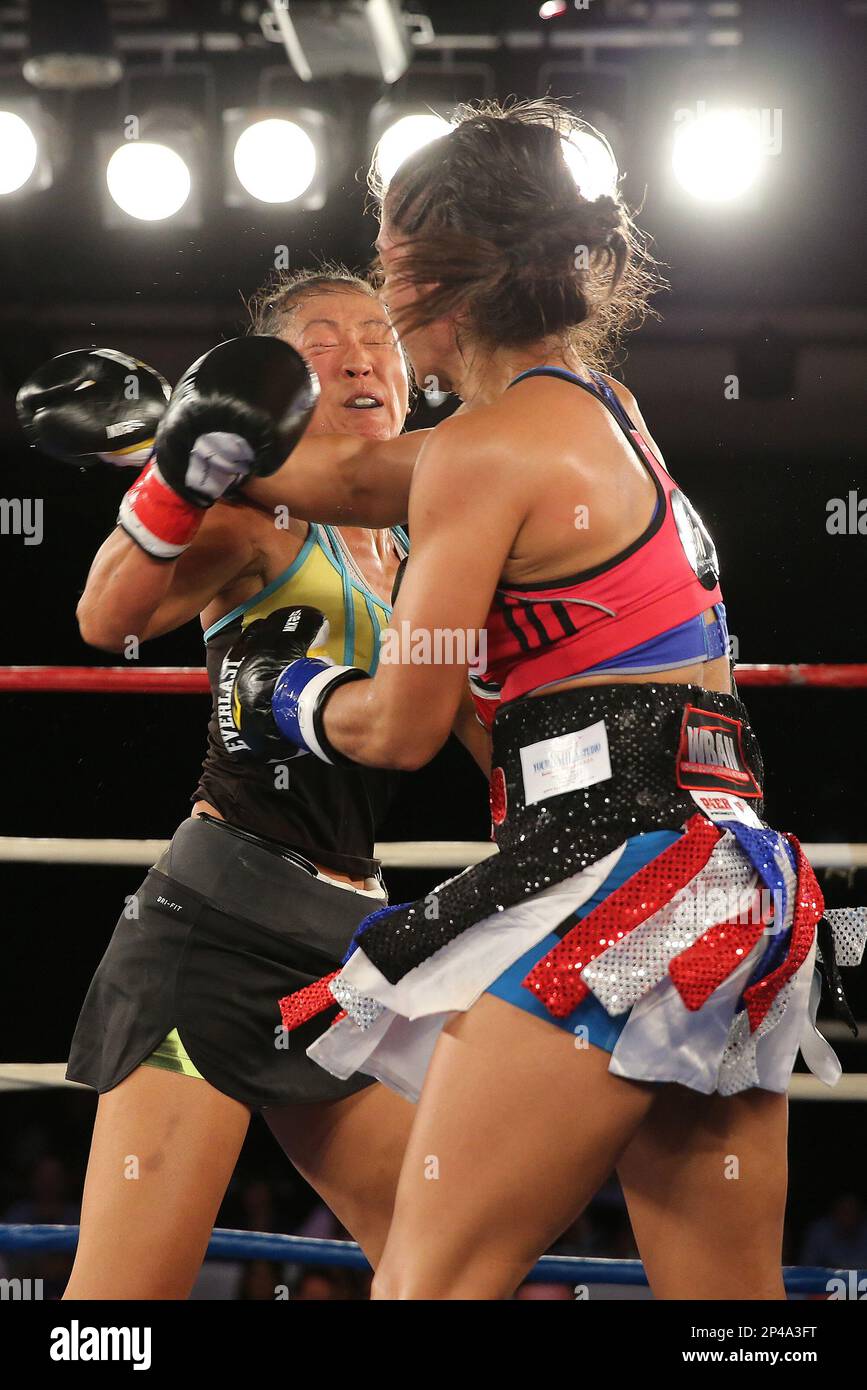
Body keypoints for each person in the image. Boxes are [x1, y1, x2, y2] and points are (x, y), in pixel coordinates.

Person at [231, 101, 865, 1300]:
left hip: (627, 875)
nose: (379, 286)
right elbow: (356, 476)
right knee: (732, 1317)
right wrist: (169, 448)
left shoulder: (486, 450)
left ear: (430, 277)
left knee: (428, 1284)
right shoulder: (597, 406)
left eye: (386, 258)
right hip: (725, 880)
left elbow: (403, 725)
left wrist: (288, 697)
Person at [18, 266, 483, 1300]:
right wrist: (178, 479)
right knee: (118, 1313)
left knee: (449, 1268)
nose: (359, 358)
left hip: (346, 953)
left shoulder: (426, 544)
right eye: (323, 341)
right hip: (218, 935)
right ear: (281, 382)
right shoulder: (257, 520)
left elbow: (471, 724)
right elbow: (106, 617)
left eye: (377, 337)